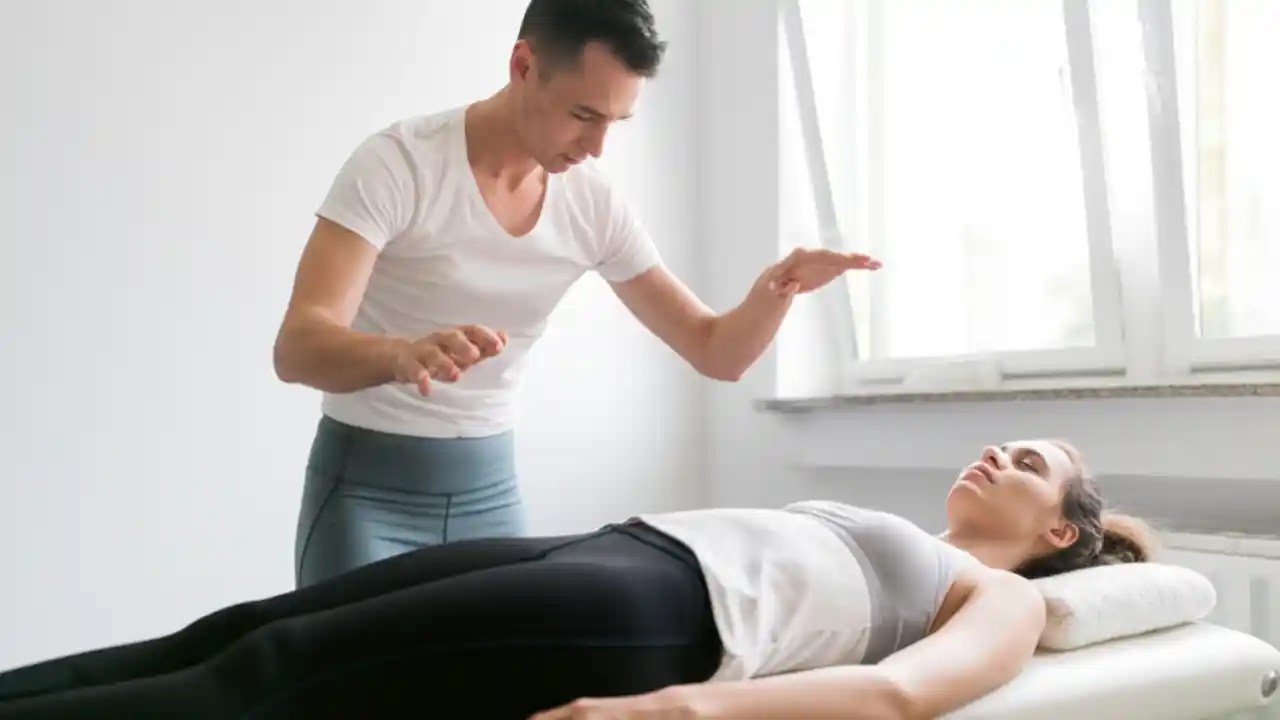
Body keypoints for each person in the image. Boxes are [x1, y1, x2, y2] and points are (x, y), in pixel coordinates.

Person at [272, 0, 881, 589]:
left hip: (491, 496)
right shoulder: (398, 165)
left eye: (615, 123)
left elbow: (716, 351)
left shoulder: (590, 202)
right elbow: (298, 346)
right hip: (365, 495)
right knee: (355, 693)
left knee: (504, 696)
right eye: (583, 115)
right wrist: (397, 356)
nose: (595, 149)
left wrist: (782, 287)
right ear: (523, 66)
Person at [0, 439, 1156, 719]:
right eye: (1003, 442)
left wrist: (684, 709)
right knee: (241, 622)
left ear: (1059, 534)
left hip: (658, 615)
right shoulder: (893, 528)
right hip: (617, 548)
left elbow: (900, 698)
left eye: (1031, 464)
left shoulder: (1001, 596)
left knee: (272, 671)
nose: (998, 455)